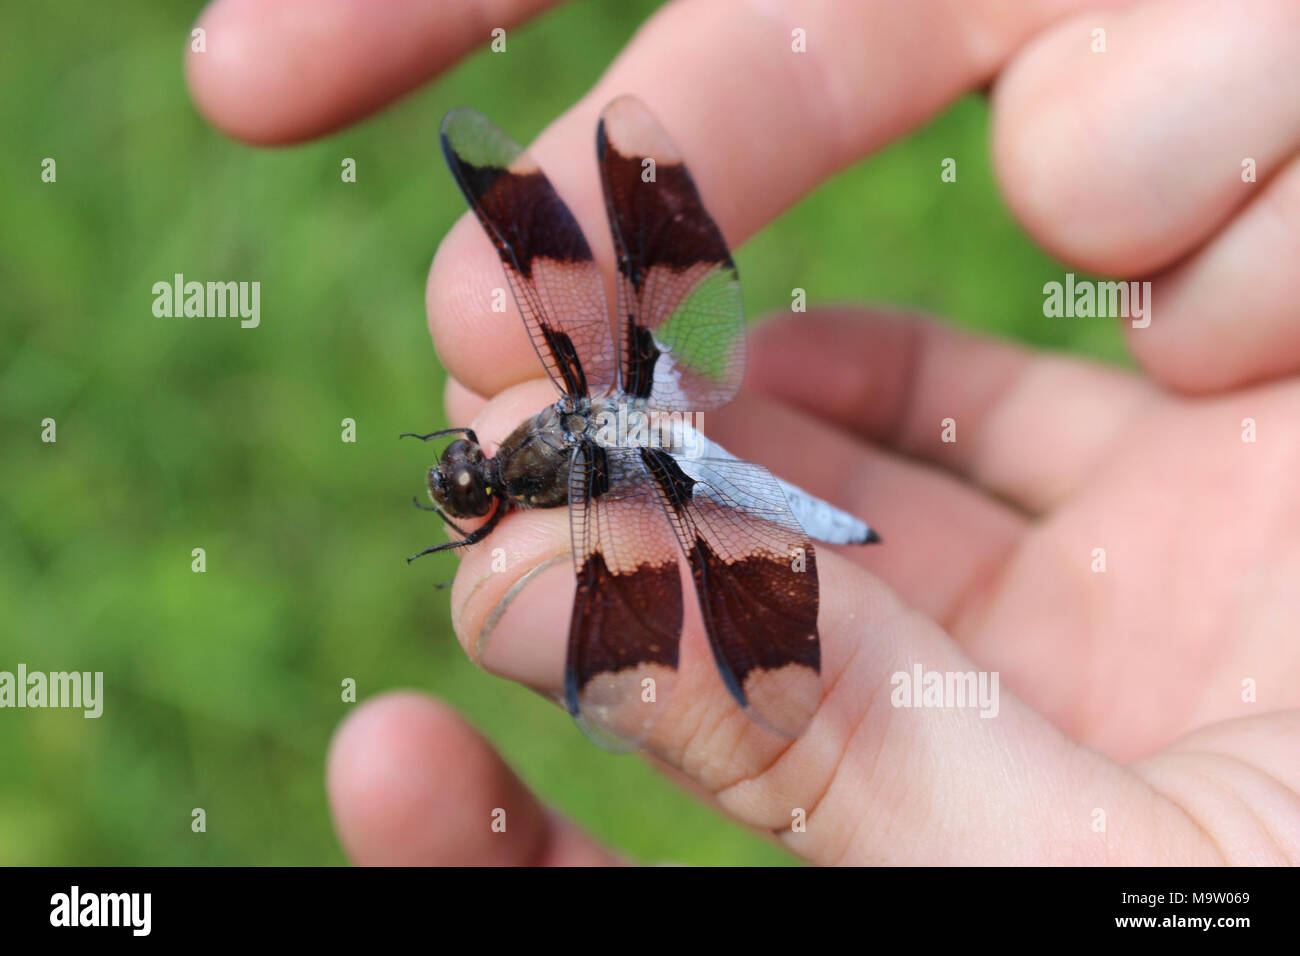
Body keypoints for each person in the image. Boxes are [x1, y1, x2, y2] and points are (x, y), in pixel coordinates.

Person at [187, 0, 1300, 865]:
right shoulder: (571, 443)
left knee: (653, 632)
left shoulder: (574, 489)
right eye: (472, 481)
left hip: (663, 447)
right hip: (640, 425)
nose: (471, 475)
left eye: (468, 480)